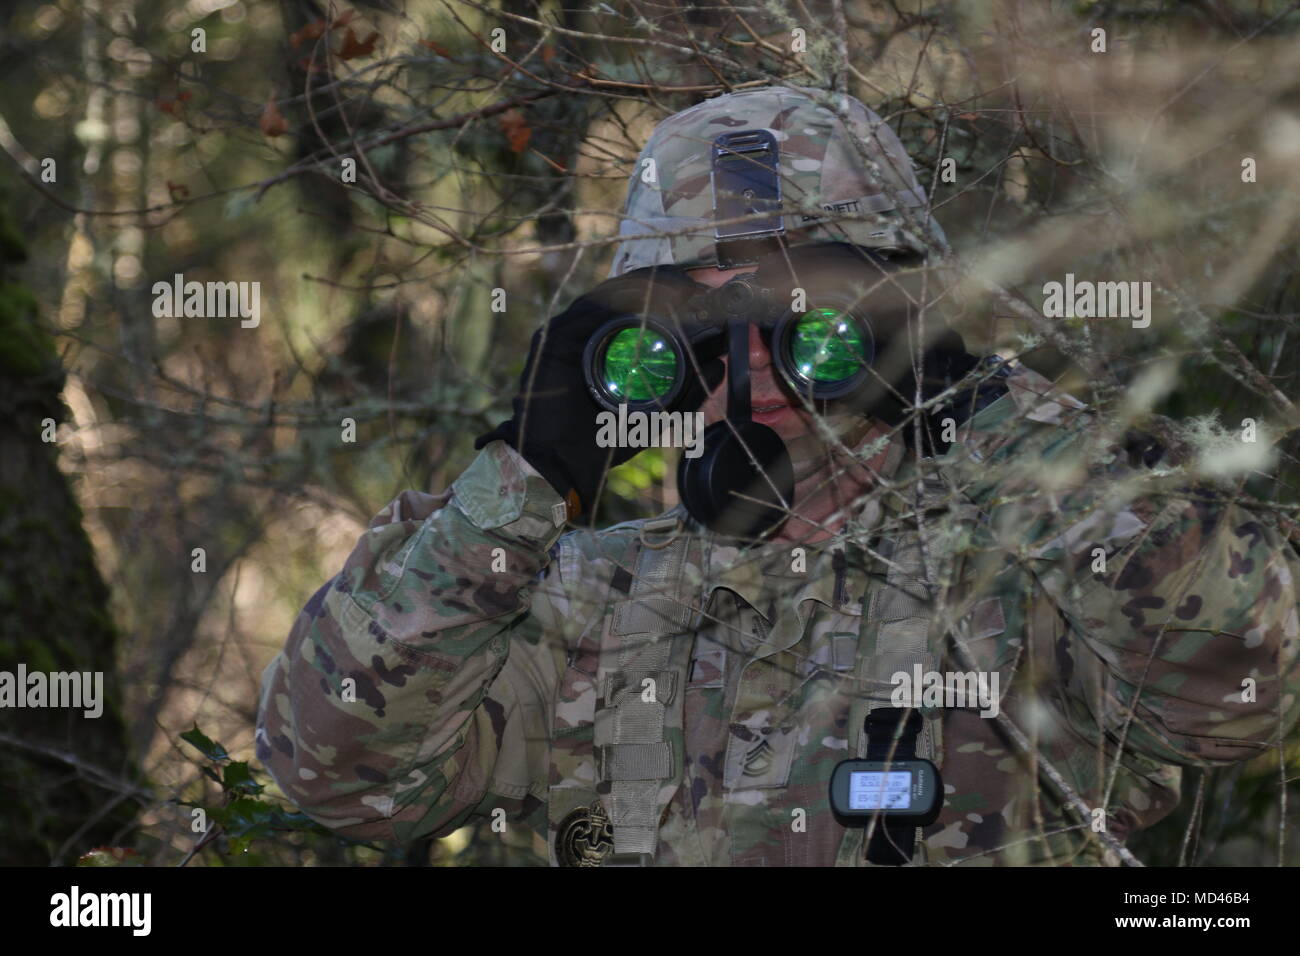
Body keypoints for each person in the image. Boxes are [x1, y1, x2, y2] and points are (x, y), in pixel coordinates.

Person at [256, 85, 1300, 866]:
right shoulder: (578, 603)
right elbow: (338, 771)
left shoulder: (1033, 583)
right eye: (701, 320)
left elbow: (1244, 683)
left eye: (816, 316)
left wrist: (985, 414)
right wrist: (525, 474)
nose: (754, 363)